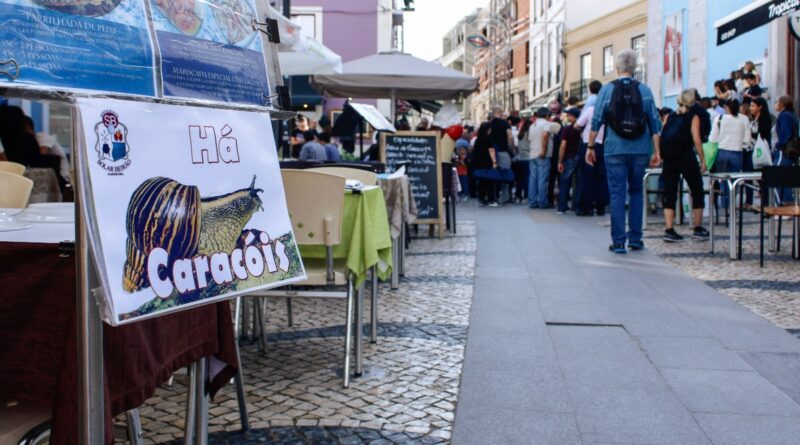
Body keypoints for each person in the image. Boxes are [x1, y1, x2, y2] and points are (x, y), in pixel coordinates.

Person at [587, 49, 662, 254]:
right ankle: (636, 238)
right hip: (639, 150)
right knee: (637, 192)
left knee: (617, 194)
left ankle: (619, 242)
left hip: (614, 149)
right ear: (634, 67)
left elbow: (596, 121)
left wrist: (590, 147)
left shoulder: (607, 90)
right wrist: (657, 151)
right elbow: (655, 123)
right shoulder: (645, 90)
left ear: (617, 67)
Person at [659, 90, 709, 242]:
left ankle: (669, 229)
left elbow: (663, 135)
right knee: (696, 189)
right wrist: (702, 160)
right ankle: (698, 228)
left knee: (670, 192)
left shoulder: (669, 116)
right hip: (685, 156)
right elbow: (696, 140)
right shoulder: (692, 117)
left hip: (669, 158)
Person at [709, 99, 751, 210]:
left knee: (723, 181)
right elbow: (747, 140)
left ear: (726, 107)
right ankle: (732, 207)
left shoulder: (720, 119)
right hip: (737, 153)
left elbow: (712, 138)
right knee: (734, 181)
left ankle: (725, 207)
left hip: (722, 152)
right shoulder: (744, 119)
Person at [575, 80, 608, 216]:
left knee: (587, 177)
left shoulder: (589, 110)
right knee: (601, 177)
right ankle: (601, 206)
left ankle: (587, 207)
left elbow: (577, 125)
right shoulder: (607, 109)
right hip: (603, 145)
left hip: (588, 144)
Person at [746, 97, 772, 206]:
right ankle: (749, 201)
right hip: (750, 150)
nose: (751, 108)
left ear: (760, 107)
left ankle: (765, 203)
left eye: (753, 106)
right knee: (747, 176)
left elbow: (763, 134)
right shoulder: (753, 119)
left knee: (762, 178)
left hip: (760, 150)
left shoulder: (765, 119)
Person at [556, 108, 582, 214]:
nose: (567, 117)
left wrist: (560, 161)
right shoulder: (582, 128)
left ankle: (562, 206)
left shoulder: (567, 129)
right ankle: (576, 206)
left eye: (568, 115)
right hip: (580, 157)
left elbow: (563, 145)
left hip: (569, 158)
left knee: (565, 182)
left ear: (573, 116)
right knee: (579, 183)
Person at [488, 106, 514, 203]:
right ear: (499, 112)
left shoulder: (489, 124)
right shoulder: (505, 123)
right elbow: (510, 136)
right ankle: (504, 196)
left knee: (492, 175)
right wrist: (511, 148)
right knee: (505, 173)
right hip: (503, 151)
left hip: (491, 152)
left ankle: (492, 196)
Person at [528, 107, 553, 209]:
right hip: (542, 155)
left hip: (532, 154)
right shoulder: (546, 124)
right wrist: (543, 150)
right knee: (542, 179)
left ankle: (532, 201)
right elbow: (545, 135)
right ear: (547, 115)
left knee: (533, 179)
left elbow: (529, 140)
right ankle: (542, 201)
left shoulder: (532, 125)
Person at [471, 122, 500, 206]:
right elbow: (491, 150)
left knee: (482, 181)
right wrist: (494, 162)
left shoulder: (477, 139)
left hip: (479, 163)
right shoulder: (489, 139)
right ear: (488, 129)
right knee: (491, 181)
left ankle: (482, 198)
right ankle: (491, 199)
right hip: (488, 162)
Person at [512, 114, 532, 204]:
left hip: (520, 158)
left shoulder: (520, 134)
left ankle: (518, 196)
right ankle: (526, 196)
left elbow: (516, 146)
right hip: (528, 158)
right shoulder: (529, 134)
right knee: (527, 178)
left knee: (520, 179)